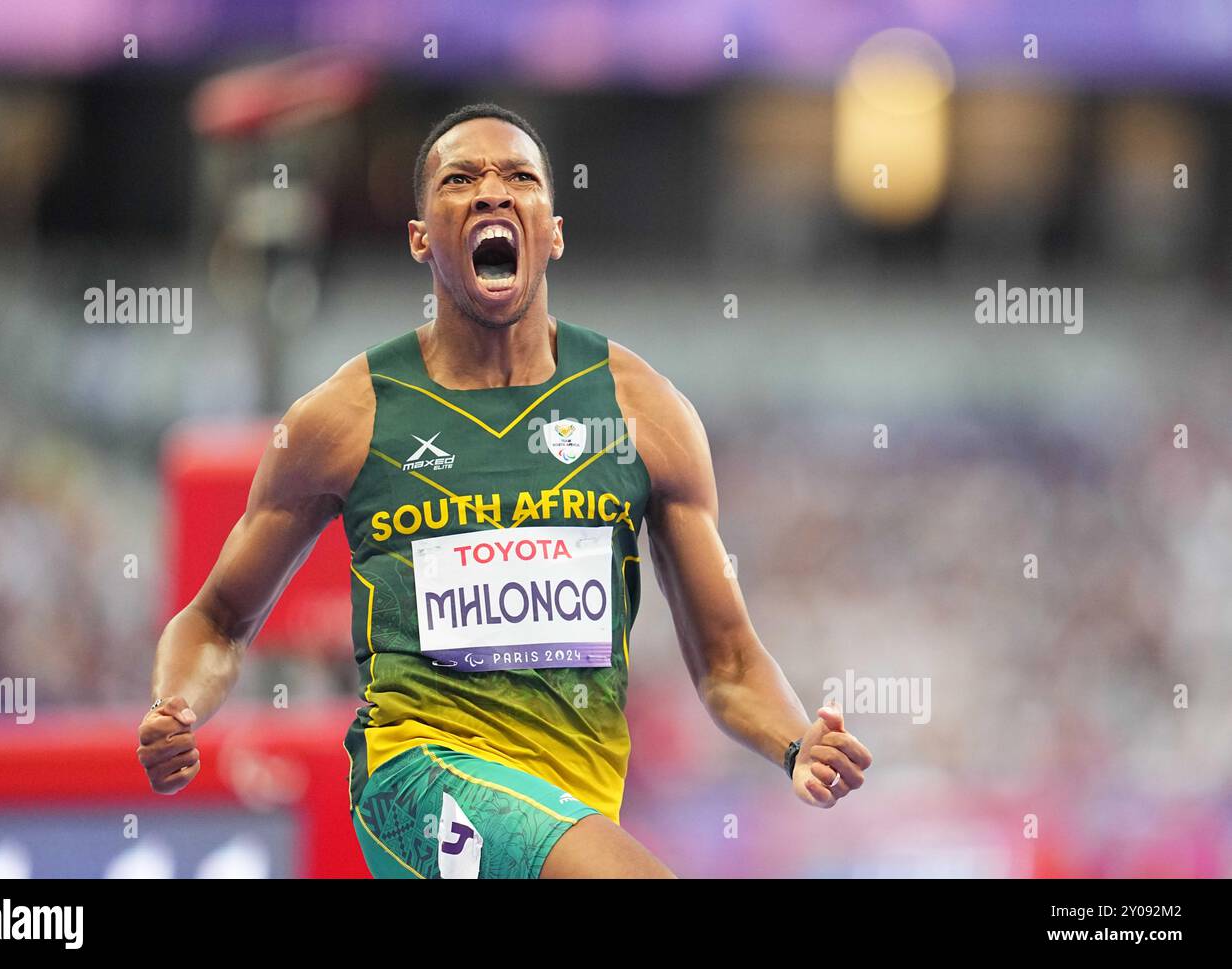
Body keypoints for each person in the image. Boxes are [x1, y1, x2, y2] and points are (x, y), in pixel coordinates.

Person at [137, 103, 872, 878]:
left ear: (552, 229)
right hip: (417, 780)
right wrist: (177, 704)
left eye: (519, 176)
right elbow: (216, 618)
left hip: (571, 808)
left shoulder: (643, 412)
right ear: (422, 237)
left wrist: (795, 743)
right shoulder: (345, 417)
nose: (493, 191)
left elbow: (726, 659)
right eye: (461, 179)